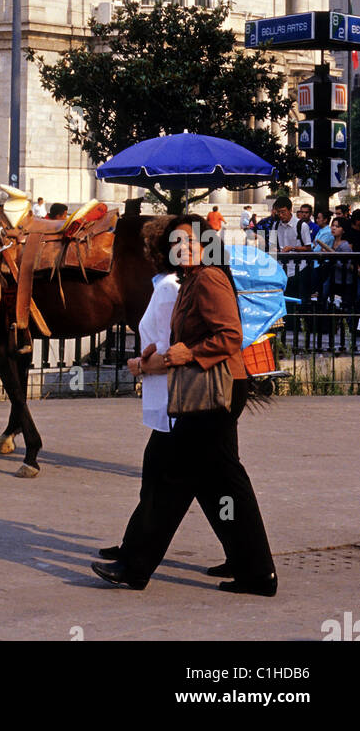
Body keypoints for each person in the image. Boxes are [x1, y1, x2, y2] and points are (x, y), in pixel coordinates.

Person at [91, 215, 277, 597]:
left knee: (170, 477)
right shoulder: (193, 279)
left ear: (207, 244)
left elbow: (229, 336)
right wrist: (153, 357)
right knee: (218, 483)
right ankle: (252, 567)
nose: (182, 250)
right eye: (176, 243)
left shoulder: (208, 278)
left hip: (214, 390)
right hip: (212, 389)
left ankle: (135, 566)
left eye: (190, 243)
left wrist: (185, 354)